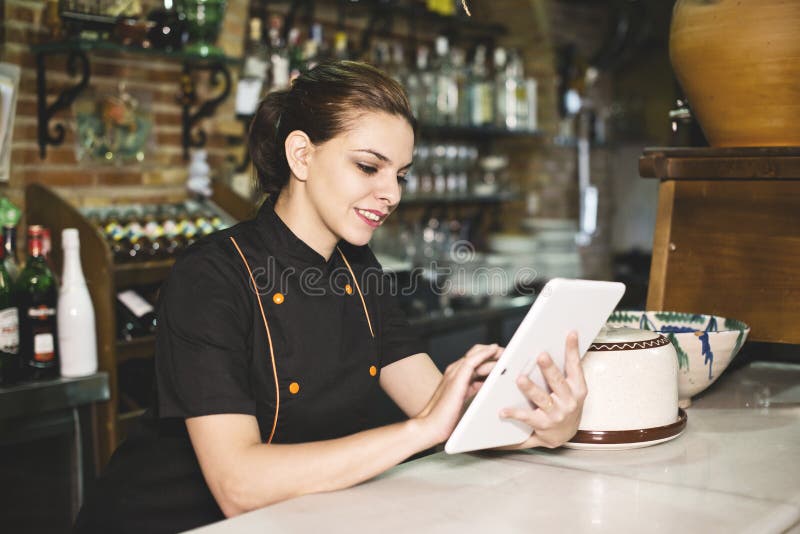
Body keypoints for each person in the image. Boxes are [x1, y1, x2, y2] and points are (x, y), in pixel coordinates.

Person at [74, 61, 587, 534]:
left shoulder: (358, 267)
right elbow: (238, 486)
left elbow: (441, 409)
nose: (393, 193)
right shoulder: (210, 276)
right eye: (369, 167)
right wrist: (421, 430)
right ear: (301, 154)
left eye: (400, 175)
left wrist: (540, 428)